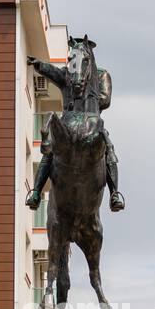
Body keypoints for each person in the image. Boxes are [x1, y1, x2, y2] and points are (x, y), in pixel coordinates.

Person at [26, 34, 125, 213]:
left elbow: (105, 100)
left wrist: (89, 96)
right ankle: (36, 192)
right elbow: (53, 72)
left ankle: (115, 193)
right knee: (50, 151)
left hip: (93, 121)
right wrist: (38, 64)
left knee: (107, 146)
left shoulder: (101, 75)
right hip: (68, 122)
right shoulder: (68, 75)